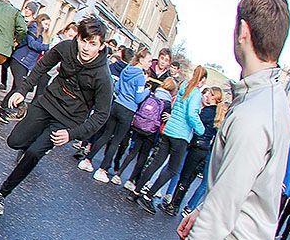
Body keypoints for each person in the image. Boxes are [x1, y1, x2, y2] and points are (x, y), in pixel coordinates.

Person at [124, 0, 290, 240]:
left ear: (243, 31)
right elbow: (243, 186)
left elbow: (224, 210)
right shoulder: (267, 99)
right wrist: (201, 209)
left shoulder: (253, 115)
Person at [0, 17, 113, 216]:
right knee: (14, 141)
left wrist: (72, 134)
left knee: (35, 153)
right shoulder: (65, 48)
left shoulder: (103, 77)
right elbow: (41, 67)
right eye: (83, 41)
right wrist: (22, 90)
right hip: (47, 103)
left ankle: (2, 194)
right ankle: (31, 144)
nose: (87, 48)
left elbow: (102, 115)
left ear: (101, 46)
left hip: (67, 120)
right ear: (77, 38)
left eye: (93, 44)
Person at [132, 65, 208, 215]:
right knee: (172, 169)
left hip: (169, 130)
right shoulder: (196, 93)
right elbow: (192, 115)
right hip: (181, 135)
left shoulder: (184, 86)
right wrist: (201, 130)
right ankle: (148, 195)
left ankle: (136, 191)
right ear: (203, 80)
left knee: (156, 162)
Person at [77, 46, 151, 183]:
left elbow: (116, 87)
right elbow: (139, 98)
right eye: (148, 60)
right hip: (128, 110)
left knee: (105, 135)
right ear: (141, 60)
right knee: (115, 141)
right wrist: (147, 90)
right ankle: (102, 170)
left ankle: (87, 160)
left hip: (116, 104)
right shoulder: (140, 77)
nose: (150, 63)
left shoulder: (126, 69)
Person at [164, 87, 224, 216]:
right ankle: (175, 204)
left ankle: (173, 205)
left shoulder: (207, 112)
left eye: (209, 93)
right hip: (204, 149)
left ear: (213, 97)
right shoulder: (216, 115)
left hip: (196, 147)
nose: (206, 95)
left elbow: (194, 123)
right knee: (189, 178)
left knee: (184, 177)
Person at [116, 77, 176, 191]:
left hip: (140, 125)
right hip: (152, 131)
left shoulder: (153, 94)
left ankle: (118, 174)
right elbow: (164, 118)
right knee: (143, 156)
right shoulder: (167, 102)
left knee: (133, 152)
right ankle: (130, 180)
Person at [0, 14, 51, 123]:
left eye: (48, 25)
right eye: (46, 23)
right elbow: (32, 44)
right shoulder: (33, 27)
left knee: (15, 88)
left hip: (26, 63)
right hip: (19, 60)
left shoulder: (41, 34)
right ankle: (17, 106)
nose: (47, 27)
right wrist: (47, 46)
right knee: (20, 88)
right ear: (40, 20)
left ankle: (1, 108)